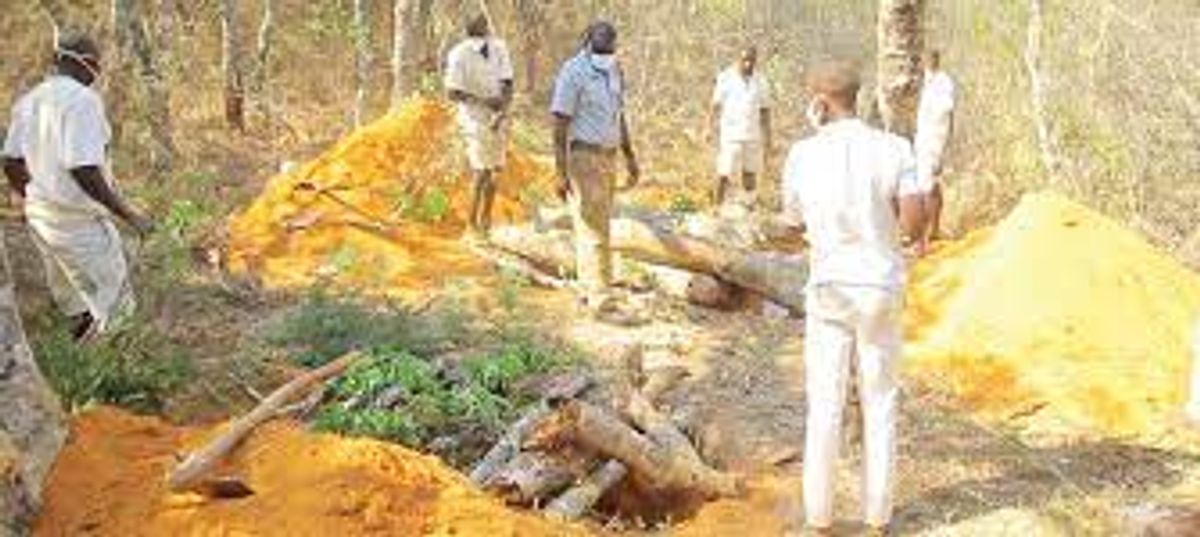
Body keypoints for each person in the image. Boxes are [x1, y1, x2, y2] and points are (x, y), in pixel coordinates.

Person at [780, 60, 930, 536]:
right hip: (880, 285)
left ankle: (819, 521)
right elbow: (913, 224)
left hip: (829, 288)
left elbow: (792, 222)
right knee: (880, 401)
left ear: (819, 103)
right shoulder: (894, 148)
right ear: (857, 96)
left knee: (824, 403)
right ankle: (876, 521)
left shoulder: (802, 155)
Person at [2, 33, 153, 342]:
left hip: (42, 221)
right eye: (95, 66)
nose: (95, 74)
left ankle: (83, 364)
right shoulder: (83, 101)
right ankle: (115, 378)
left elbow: (11, 160)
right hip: (78, 224)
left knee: (75, 304)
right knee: (116, 308)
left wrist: (34, 196)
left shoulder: (30, 100)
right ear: (83, 64)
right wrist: (128, 214)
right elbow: (83, 167)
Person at [550, 21, 640, 313]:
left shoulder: (615, 69)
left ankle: (597, 286)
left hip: (609, 156)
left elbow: (619, 115)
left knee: (602, 223)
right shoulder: (573, 72)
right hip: (584, 156)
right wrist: (560, 171)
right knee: (590, 225)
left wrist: (630, 155)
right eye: (602, 48)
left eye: (611, 47)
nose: (607, 53)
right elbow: (559, 122)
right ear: (588, 42)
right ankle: (596, 294)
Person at [445, 13, 514, 239]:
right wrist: (484, 102)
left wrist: (501, 109)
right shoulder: (459, 54)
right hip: (474, 117)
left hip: (499, 115)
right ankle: (471, 224)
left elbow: (507, 82)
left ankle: (485, 221)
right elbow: (452, 92)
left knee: (495, 169)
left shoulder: (499, 48)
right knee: (480, 170)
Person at [710, 46, 772, 208]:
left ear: (755, 61)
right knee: (725, 171)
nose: (747, 64)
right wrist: (708, 128)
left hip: (752, 134)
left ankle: (748, 206)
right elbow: (715, 105)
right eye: (744, 60)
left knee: (750, 173)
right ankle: (716, 207)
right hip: (731, 134)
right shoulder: (726, 78)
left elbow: (765, 110)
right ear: (737, 59)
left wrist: (768, 136)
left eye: (751, 60)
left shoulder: (761, 81)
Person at [914, 48, 957, 242]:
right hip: (923, 137)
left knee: (928, 183)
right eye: (924, 59)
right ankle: (932, 229)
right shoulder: (925, 81)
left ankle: (933, 229)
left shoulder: (943, 81)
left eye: (930, 59)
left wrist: (944, 143)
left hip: (935, 138)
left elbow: (947, 111)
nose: (926, 62)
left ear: (936, 60)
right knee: (926, 182)